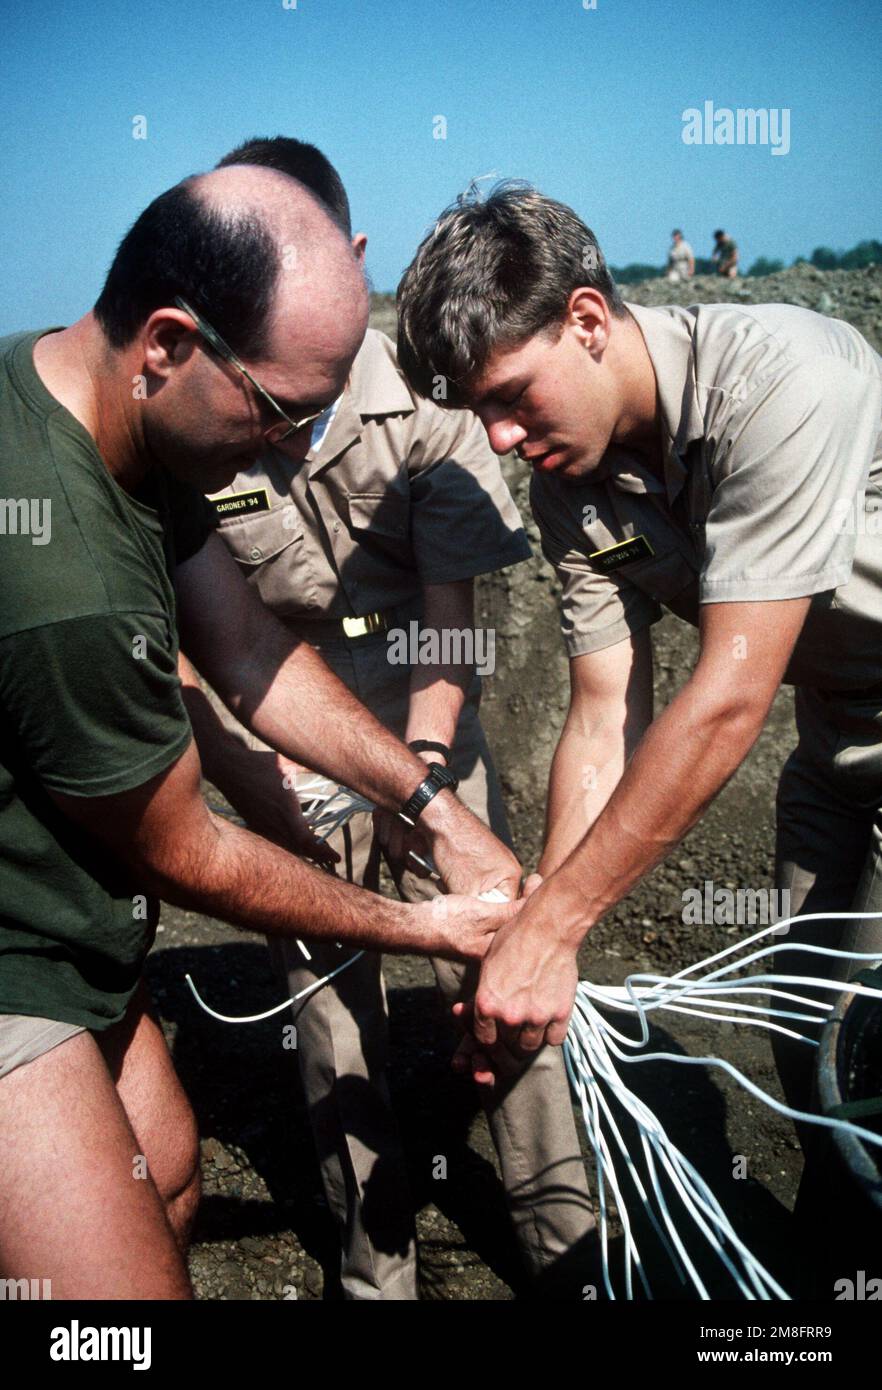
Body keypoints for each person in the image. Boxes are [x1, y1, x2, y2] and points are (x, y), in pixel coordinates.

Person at [0, 164, 521, 1300]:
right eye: (282, 412)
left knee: (170, 1175)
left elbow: (248, 654)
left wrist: (429, 809)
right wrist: (422, 928)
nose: (295, 450)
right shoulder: (63, 574)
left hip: (66, 922)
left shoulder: (114, 416)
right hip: (13, 955)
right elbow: (186, 852)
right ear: (168, 343)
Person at [395, 182, 882, 1242]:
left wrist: (555, 928)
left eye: (513, 396)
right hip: (838, 745)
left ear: (586, 318)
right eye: (479, 414)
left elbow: (727, 701)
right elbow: (606, 716)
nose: (504, 436)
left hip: (808, 716)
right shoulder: (574, 488)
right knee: (815, 1042)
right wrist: (538, 931)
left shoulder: (790, 378)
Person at [176, 136, 598, 1301]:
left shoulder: (426, 396)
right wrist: (252, 779)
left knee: (506, 969)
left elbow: (452, 622)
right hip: (280, 746)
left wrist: (424, 778)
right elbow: (190, 643)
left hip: (428, 732)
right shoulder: (204, 411)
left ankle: (565, 1245)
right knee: (332, 1020)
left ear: (348, 255)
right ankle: (377, 1266)